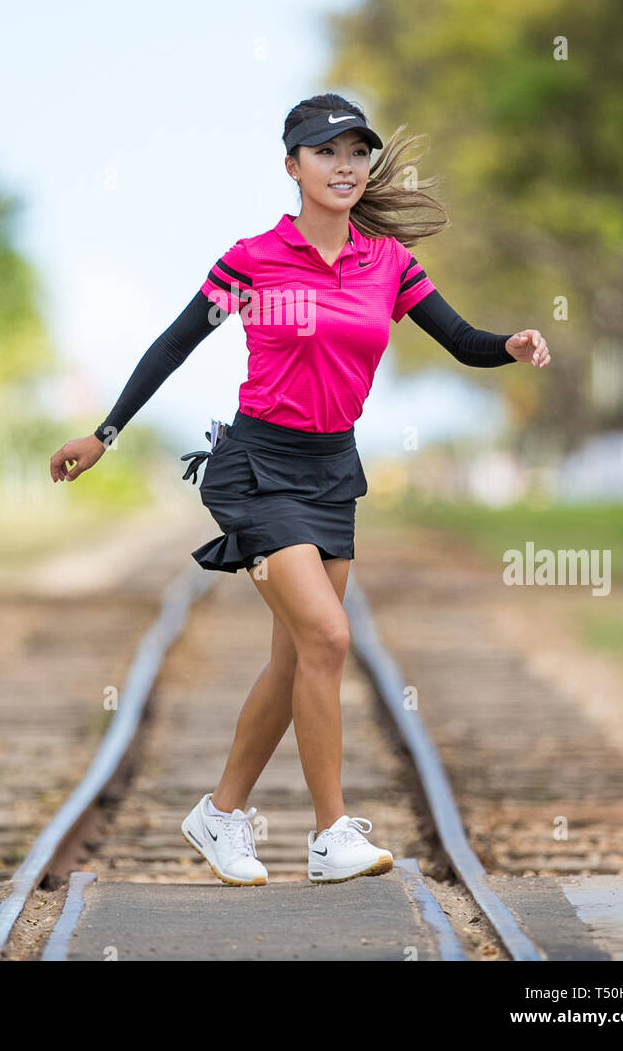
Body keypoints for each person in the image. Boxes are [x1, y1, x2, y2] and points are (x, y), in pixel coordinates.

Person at [50, 93, 550, 886]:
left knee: (295, 662)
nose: (345, 165)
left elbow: (459, 340)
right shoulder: (252, 259)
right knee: (328, 638)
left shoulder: (386, 262)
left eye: (357, 152)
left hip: (331, 472)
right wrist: (104, 434)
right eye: (326, 152)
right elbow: (173, 345)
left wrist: (510, 345)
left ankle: (219, 816)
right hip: (256, 469)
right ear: (293, 167)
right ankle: (330, 835)